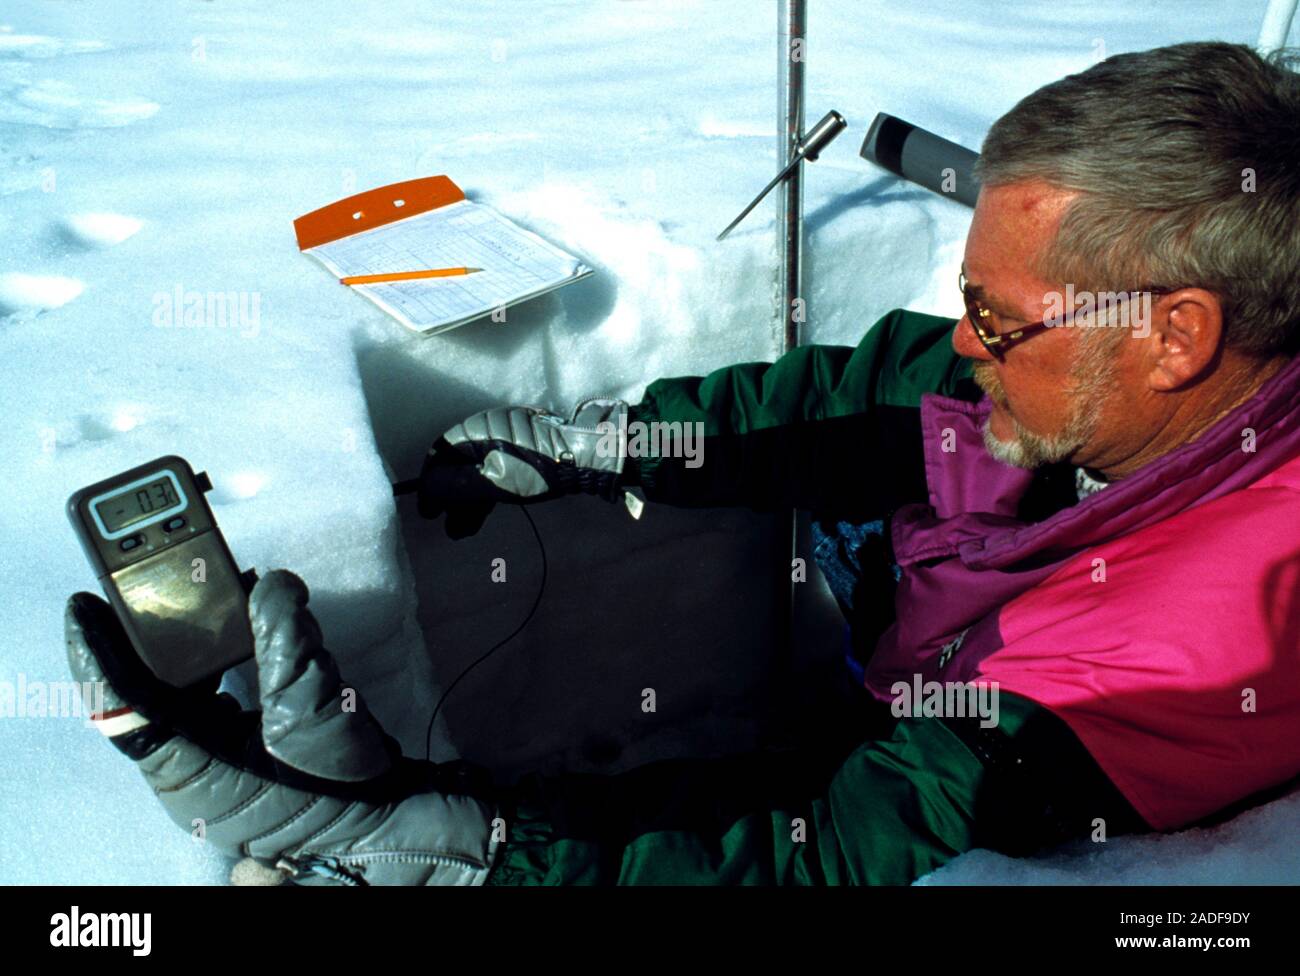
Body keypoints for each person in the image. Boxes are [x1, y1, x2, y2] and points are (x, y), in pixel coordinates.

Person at [67, 40, 1300, 885]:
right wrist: (614, 446)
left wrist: (461, 843)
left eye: (997, 315)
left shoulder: (1182, 659)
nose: (962, 337)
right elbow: (875, 396)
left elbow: (817, 851)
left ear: (1175, 335)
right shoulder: (1103, 388)